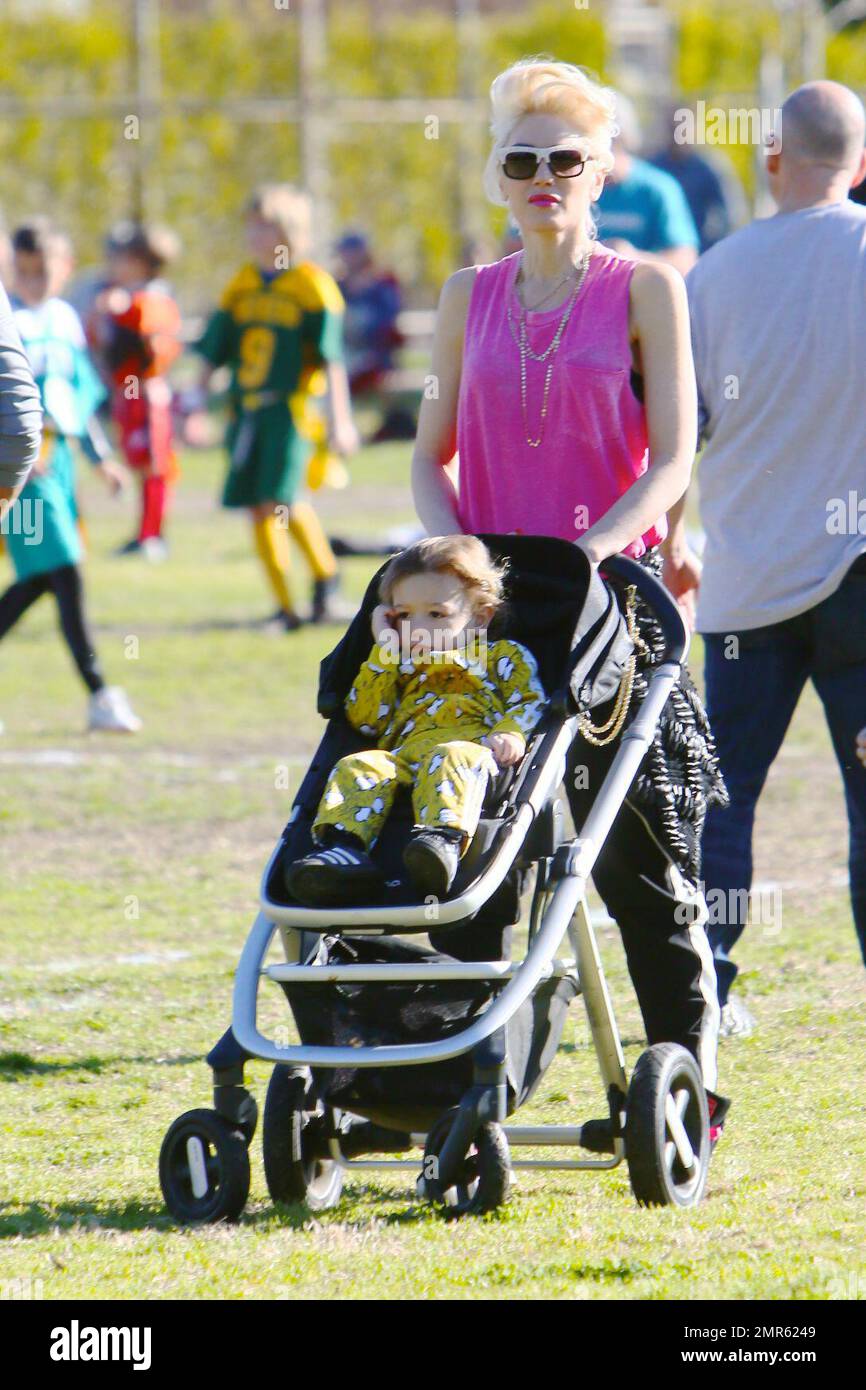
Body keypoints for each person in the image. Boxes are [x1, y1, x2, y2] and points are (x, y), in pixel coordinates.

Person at [411, 58, 729, 1139]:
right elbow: (429, 450)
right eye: (520, 159)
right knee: (480, 848)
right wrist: (450, 553)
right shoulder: (468, 294)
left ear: (601, 173)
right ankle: (471, 1084)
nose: (541, 177)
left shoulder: (647, 288)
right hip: (491, 613)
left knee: (636, 857)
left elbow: (675, 455)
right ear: (496, 175)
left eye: (564, 160)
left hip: (610, 604)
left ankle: (684, 1077)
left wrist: (592, 550)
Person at [678, 81, 866, 1037]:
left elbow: (683, 428)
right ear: (862, 164)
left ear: (771, 162)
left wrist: (672, 533)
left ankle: (705, 986)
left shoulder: (714, 272)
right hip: (861, 578)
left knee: (724, 803)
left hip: (745, 584)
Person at [286, 534, 546, 905]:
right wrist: (384, 651)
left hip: (473, 756)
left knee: (451, 755)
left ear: (480, 617)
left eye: (437, 614)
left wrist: (511, 731)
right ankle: (344, 850)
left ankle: (441, 841)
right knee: (360, 764)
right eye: (404, 615)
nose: (418, 628)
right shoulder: (396, 663)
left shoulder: (502, 656)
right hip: (405, 761)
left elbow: (529, 700)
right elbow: (365, 720)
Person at [196, 185, 359, 630]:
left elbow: (333, 359)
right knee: (256, 505)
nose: (253, 234)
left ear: (289, 230)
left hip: (291, 410)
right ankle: (287, 605)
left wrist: (340, 420)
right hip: (247, 410)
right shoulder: (242, 282)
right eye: (250, 224)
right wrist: (194, 401)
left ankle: (324, 581)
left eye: (263, 225)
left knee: (281, 500)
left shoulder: (311, 286)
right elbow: (214, 348)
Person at [0, 221, 140, 733]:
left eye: (44, 269)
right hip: (22, 467)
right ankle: (101, 693)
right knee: (66, 572)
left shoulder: (63, 320)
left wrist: (99, 456)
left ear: (67, 268)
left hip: (56, 464)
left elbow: (75, 398)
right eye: (24, 269)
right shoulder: (7, 317)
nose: (33, 279)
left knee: (41, 578)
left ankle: (100, 694)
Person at [89, 222, 183, 561]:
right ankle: (144, 532)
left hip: (146, 392)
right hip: (129, 392)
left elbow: (149, 348)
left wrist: (123, 310)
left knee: (154, 465)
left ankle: (153, 535)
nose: (115, 264)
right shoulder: (126, 296)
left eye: (123, 257)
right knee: (139, 462)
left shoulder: (152, 298)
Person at [595, 93, 700, 273]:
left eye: (612, 143)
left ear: (627, 139)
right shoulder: (575, 185)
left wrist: (632, 258)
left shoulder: (658, 188)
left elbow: (685, 262)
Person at [650, 102, 747, 252]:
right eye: (674, 128)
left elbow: (731, 214)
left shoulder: (709, 168)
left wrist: (712, 247)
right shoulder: (654, 168)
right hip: (662, 253)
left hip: (700, 252)